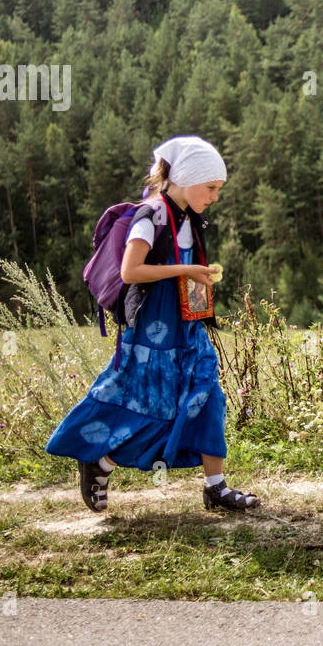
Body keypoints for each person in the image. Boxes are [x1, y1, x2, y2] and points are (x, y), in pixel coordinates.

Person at [45, 135, 260, 514]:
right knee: (152, 406)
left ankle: (216, 487)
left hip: (186, 325)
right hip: (152, 332)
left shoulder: (189, 219)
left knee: (208, 394)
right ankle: (102, 460)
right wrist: (187, 269)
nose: (214, 196)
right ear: (187, 179)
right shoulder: (151, 216)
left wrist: (197, 277)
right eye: (210, 187)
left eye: (217, 189)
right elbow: (131, 271)